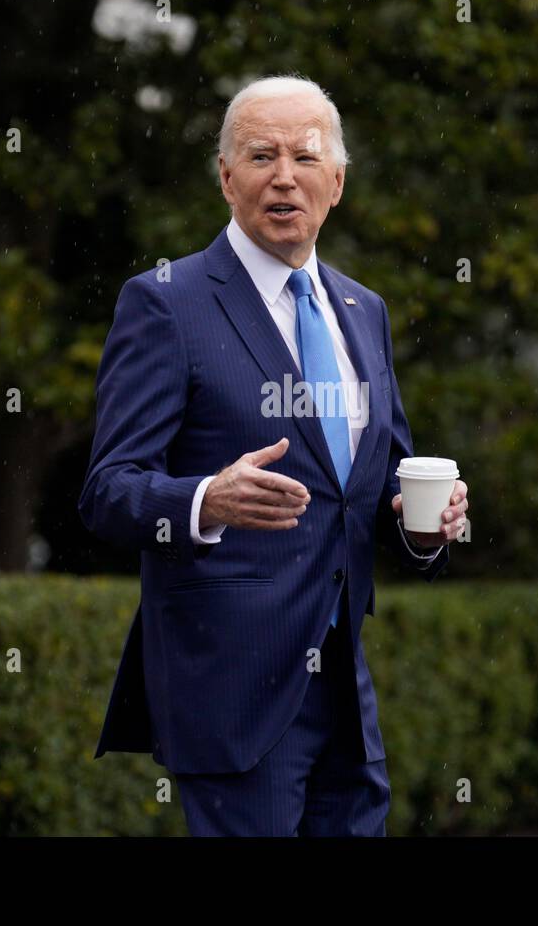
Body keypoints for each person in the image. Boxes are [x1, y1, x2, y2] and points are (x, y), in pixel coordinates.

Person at [77, 75, 470, 836]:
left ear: (338, 182)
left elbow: (375, 487)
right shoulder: (166, 302)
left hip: (345, 697)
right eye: (260, 156)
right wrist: (203, 501)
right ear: (227, 178)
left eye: (304, 157)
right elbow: (108, 491)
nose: (284, 175)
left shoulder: (364, 310)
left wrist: (424, 527)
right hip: (232, 693)